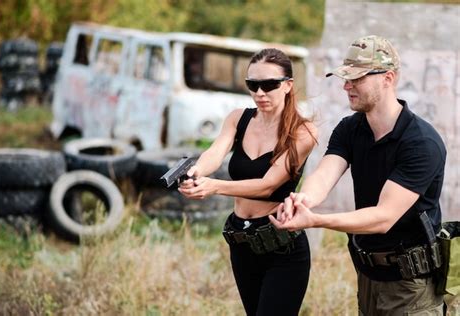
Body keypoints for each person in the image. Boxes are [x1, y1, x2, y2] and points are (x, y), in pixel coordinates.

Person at [270, 35, 446, 315]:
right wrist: (301, 200)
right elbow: (326, 173)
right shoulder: (350, 129)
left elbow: (383, 217)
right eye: (345, 77)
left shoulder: (421, 143)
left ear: (388, 78)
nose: (346, 86)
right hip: (368, 275)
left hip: (410, 286)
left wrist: (316, 221)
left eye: (357, 78)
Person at [178, 48, 317, 316]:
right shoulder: (238, 118)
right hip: (242, 241)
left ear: (288, 86)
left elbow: (268, 185)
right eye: (252, 85)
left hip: (281, 245)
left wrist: (214, 186)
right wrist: (196, 173)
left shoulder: (303, 131)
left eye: (269, 85)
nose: (260, 93)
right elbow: (214, 154)